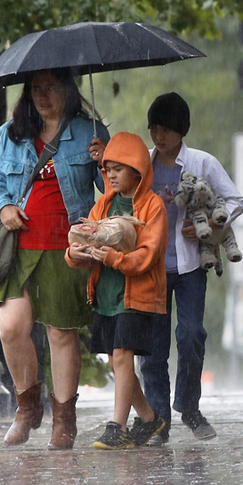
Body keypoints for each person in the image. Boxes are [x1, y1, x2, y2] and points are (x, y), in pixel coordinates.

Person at [0, 68, 110, 450]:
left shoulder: (90, 132)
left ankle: (64, 419)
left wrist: (105, 160)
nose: (42, 95)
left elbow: (115, 189)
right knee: (11, 327)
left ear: (67, 90)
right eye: (36, 89)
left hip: (68, 246)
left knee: (60, 333)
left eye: (50, 87)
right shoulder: (8, 135)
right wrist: (3, 206)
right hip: (20, 247)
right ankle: (27, 406)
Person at [141, 92, 243, 444]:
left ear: (181, 130)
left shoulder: (202, 163)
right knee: (152, 346)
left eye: (167, 130)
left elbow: (236, 199)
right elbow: (117, 188)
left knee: (190, 336)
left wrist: (215, 227)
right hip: (150, 266)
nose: (159, 137)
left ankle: (189, 407)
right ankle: (157, 420)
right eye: (154, 128)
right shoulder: (143, 164)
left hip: (190, 266)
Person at [65, 132, 169, 449]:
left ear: (138, 169)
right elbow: (84, 242)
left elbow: (149, 255)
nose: (110, 174)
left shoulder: (153, 206)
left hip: (136, 295)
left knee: (124, 357)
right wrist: (74, 254)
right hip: (107, 295)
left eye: (118, 168)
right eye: (107, 168)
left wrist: (115, 257)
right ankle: (151, 419)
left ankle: (117, 427)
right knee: (116, 362)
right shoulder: (103, 204)